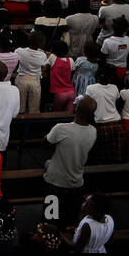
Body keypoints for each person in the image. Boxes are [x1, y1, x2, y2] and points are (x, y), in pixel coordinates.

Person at [43, 96, 99, 224]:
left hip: (55, 183)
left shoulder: (61, 128)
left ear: (76, 108)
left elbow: (45, 143)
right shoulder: (93, 131)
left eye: (75, 102)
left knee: (50, 219)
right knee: (70, 219)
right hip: (76, 184)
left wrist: (48, 137)